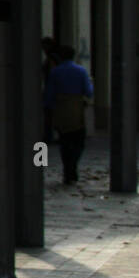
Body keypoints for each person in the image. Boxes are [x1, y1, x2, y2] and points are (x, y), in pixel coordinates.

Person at [44, 45, 92, 184]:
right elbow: (88, 91)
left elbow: (49, 94)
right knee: (79, 141)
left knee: (64, 142)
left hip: (60, 109)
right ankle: (73, 166)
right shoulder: (81, 71)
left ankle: (67, 169)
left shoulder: (55, 72)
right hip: (76, 109)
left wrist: (48, 107)